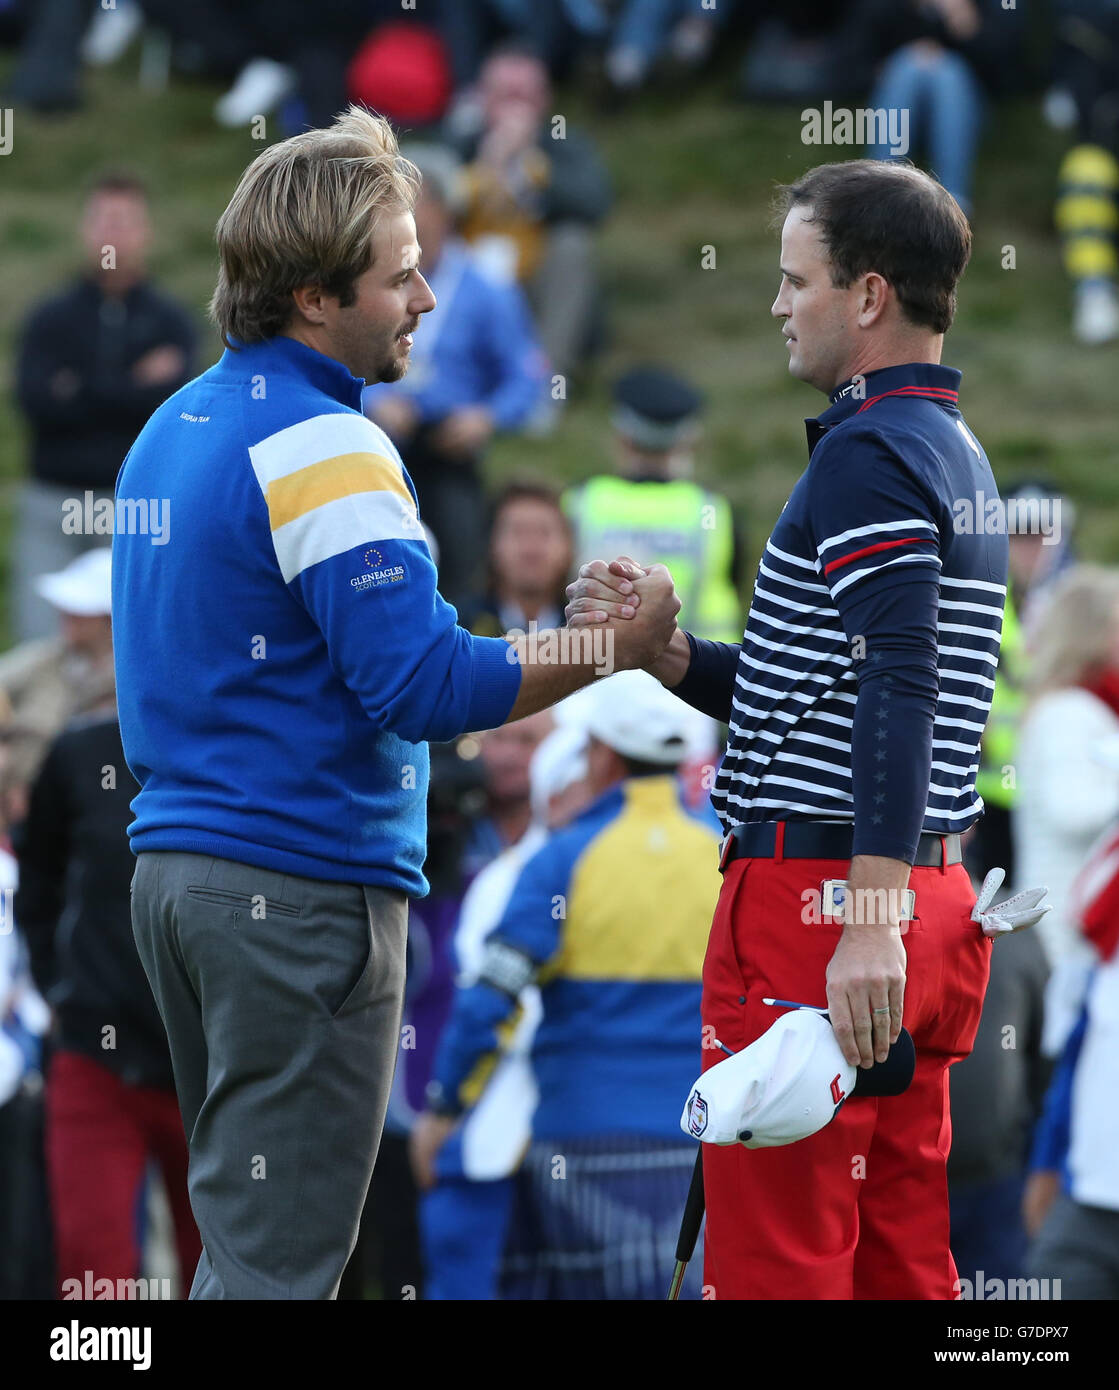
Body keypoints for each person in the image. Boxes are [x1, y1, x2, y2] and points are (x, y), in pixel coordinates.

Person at [112, 106, 678, 1301]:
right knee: (278, 1269)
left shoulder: (175, 424)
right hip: (298, 886)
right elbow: (422, 685)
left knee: (242, 1249)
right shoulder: (326, 440)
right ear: (317, 296)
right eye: (403, 272)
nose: (427, 299)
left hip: (182, 875)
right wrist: (611, 649)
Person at [568, 160, 1011, 1299]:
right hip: (919, 895)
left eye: (794, 280)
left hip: (827, 904)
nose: (777, 305)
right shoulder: (953, 451)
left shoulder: (867, 452)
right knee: (899, 1264)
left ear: (866, 296)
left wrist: (863, 915)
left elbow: (902, 676)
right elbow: (829, 694)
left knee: (779, 1269)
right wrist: (669, 655)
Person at [412, 672, 723, 1299]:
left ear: (603, 755)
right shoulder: (719, 854)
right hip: (701, 1145)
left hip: (580, 1141)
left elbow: (491, 998)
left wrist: (443, 1110)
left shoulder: (561, 859)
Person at [14, 614, 201, 1300]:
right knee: (93, 1272)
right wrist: (61, 990)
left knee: (221, 1270)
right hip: (94, 1057)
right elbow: (37, 884)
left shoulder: (227, 756)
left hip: (209, 1066)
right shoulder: (76, 755)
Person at [418, 718, 592, 1300]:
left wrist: (441, 1112)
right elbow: (484, 1012)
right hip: (526, 1138)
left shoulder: (514, 877)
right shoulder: (507, 878)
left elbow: (485, 1013)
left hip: (527, 1140)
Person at [13, 171, 195, 642]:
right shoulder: (48, 320)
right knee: (43, 646)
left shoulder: (171, 320)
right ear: (85, 228)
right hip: (54, 501)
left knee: (132, 644)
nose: (113, 234)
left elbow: (170, 412)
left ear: (146, 232)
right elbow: (36, 404)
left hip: (133, 504)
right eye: (103, 221)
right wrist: (131, 385)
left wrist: (80, 389)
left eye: (125, 222)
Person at [363, 145, 549, 605]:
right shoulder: (367, 280)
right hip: (376, 451)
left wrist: (484, 418)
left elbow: (527, 375)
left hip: (449, 452)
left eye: (415, 201)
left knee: (458, 581)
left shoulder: (486, 289)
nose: (404, 214)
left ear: (446, 209)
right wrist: (373, 403)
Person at [452, 43, 612, 383]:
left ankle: (545, 382)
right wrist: (486, 168)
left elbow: (595, 205)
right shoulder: (458, 144)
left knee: (573, 244)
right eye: (505, 95)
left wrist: (530, 177)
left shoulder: (564, 145)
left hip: (537, 286)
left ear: (544, 101)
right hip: (468, 281)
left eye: (524, 97)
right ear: (483, 98)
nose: (515, 108)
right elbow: (421, 210)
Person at [1012, 566, 1119, 1059]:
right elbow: (1072, 811)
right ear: (1094, 634)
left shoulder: (1088, 711)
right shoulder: (1068, 714)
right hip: (1067, 941)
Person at [564, 367, 742, 642]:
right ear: (688, 440)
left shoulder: (580, 502)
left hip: (599, 673)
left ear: (622, 436)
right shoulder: (714, 510)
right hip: (697, 674)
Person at [0, 549, 116, 825]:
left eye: (79, 610)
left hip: (92, 818)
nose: (66, 615)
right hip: (23, 816)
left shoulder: (132, 680)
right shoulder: (43, 662)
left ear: (106, 619)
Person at [458, 481, 574, 638]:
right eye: (518, 532)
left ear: (568, 547)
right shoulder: (459, 630)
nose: (531, 548)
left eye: (544, 532)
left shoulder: (588, 633)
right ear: (493, 545)